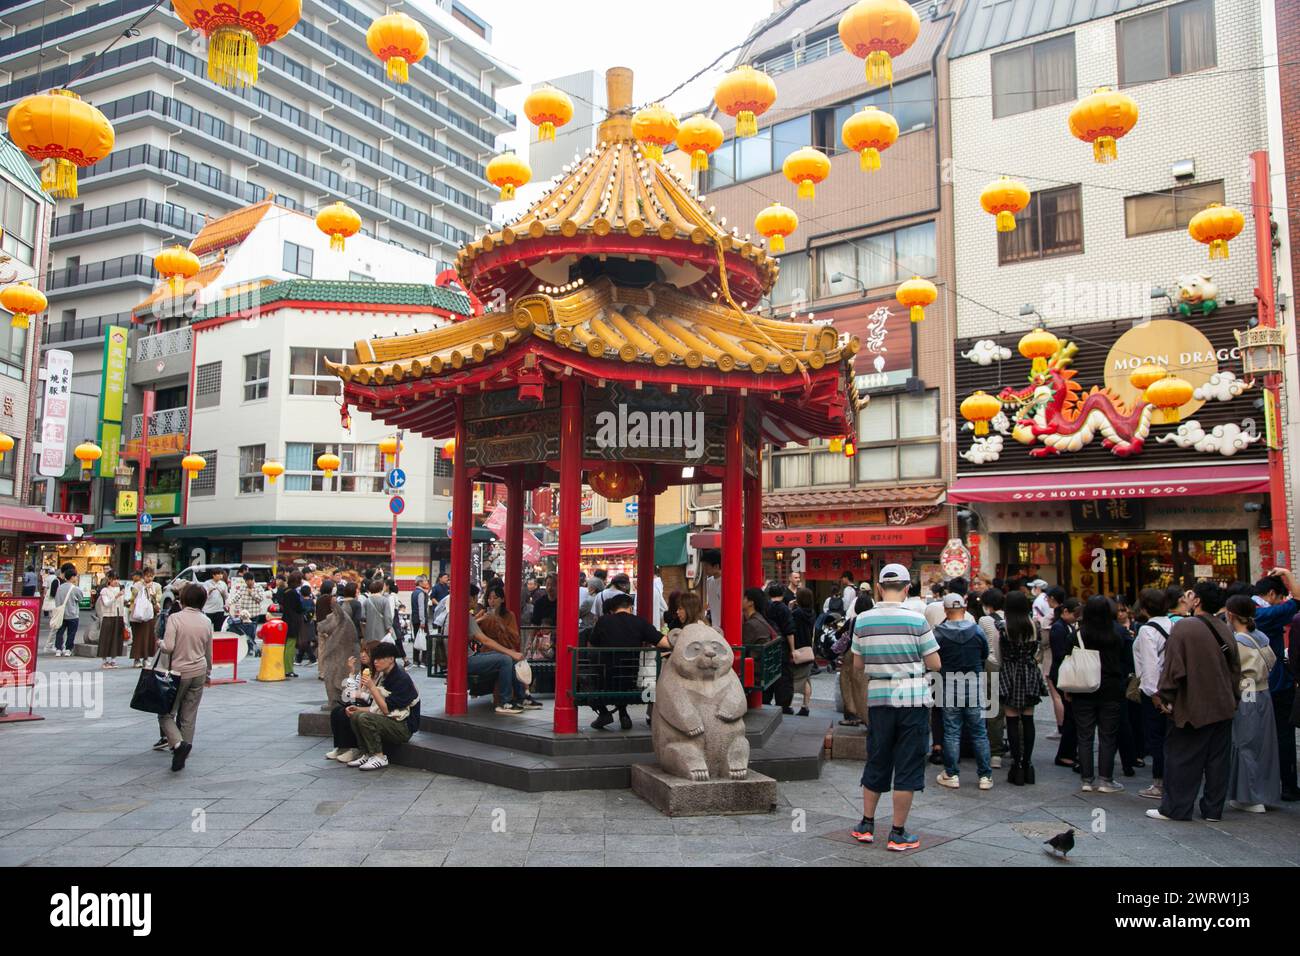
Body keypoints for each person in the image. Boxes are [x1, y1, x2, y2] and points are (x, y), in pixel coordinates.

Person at [849, 564, 940, 852]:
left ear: (878, 587)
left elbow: (858, 665)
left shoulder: (863, 620)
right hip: (912, 698)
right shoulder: (917, 620)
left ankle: (866, 824)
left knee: (877, 757)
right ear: (907, 588)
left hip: (879, 698)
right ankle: (897, 833)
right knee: (908, 763)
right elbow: (935, 663)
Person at [1148, 582, 1242, 823]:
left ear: (1197, 601)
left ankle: (1176, 808)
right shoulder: (1225, 628)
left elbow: (1173, 669)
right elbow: (1235, 669)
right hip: (1223, 703)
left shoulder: (1184, 627)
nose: (1186, 596)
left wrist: (1165, 697)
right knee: (1217, 761)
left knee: (1182, 757)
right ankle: (1213, 810)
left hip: (1193, 704)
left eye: (1190, 594)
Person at [1224, 594, 1281, 812]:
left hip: (1246, 694)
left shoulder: (1237, 641)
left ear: (1230, 614)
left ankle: (1250, 797)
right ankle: (1262, 794)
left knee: (1244, 744)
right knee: (1264, 745)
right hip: (1264, 693)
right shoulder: (1262, 637)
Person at [1068, 595, 1130, 794]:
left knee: (1084, 735)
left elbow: (1067, 659)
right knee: (1108, 736)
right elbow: (1127, 661)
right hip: (1111, 688)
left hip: (1083, 688)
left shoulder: (1078, 634)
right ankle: (1106, 779)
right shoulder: (1119, 632)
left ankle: (1086, 779)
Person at [934, 593, 992, 791]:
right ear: (964, 609)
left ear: (945, 610)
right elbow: (985, 653)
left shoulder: (939, 633)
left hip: (949, 683)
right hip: (974, 682)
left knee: (951, 732)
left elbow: (934, 658)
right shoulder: (976, 631)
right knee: (979, 732)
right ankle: (985, 776)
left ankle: (952, 774)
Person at [1251, 569, 1300, 801]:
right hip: (1276, 684)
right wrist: (1287, 573)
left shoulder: (1248, 610)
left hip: (1254, 685)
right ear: (1272, 594)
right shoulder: (1265, 613)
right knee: (1283, 736)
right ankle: (1288, 786)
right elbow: (1298, 601)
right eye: (1280, 597)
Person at [154, 583, 213, 772]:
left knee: (165, 713)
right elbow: (208, 651)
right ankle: (184, 749)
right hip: (199, 670)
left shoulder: (175, 618)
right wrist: (208, 673)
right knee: (189, 714)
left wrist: (160, 642)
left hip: (179, 672)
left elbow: (169, 646)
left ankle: (179, 745)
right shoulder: (206, 621)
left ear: (184, 598)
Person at [586, 591, 663, 730]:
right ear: (630, 607)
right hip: (631, 680)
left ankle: (604, 713)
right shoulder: (640, 622)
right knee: (622, 674)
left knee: (586, 680)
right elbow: (662, 641)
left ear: (612, 609)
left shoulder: (603, 621)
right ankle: (623, 714)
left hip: (605, 680)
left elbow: (591, 644)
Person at [344, 642, 421, 771]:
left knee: (364, 718)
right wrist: (358, 709)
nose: (375, 662)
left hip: (403, 727)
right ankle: (367, 753)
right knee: (355, 715)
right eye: (375, 658)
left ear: (391, 659)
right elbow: (376, 707)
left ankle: (379, 756)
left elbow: (385, 709)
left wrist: (372, 687)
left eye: (380, 658)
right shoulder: (385, 675)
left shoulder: (401, 679)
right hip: (391, 719)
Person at [999, 590, 1049, 785]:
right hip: (1029, 672)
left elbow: (999, 653)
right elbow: (1039, 649)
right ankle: (1027, 764)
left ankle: (1017, 765)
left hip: (1010, 672)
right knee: (1028, 719)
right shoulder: (1034, 625)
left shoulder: (1004, 627)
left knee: (1011, 720)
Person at [1133, 588, 1173, 800]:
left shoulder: (1147, 630)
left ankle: (1160, 782)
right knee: (1170, 736)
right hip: (1173, 687)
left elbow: (1149, 666)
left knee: (1156, 737)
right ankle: (1172, 779)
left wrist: (1153, 694)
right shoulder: (1173, 624)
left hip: (1156, 691)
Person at [465, 585, 529, 715]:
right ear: (471, 599)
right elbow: (485, 640)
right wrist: (511, 652)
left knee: (508, 658)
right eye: (489, 598)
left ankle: (521, 697)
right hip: (469, 658)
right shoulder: (468, 616)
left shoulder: (508, 615)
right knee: (505, 659)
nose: (491, 601)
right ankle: (505, 701)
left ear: (502, 600)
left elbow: (514, 638)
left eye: (495, 598)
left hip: (474, 656)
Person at [326, 641, 379, 762]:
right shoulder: (363, 672)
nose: (363, 655)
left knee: (349, 714)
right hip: (360, 702)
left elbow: (375, 696)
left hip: (372, 704)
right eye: (362, 651)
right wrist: (351, 672)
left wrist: (362, 695)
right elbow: (350, 693)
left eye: (367, 652)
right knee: (337, 711)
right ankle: (342, 747)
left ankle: (355, 749)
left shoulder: (378, 673)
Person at [1048, 597, 1081, 769]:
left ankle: (1067, 752)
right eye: (1075, 614)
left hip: (1065, 673)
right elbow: (1061, 654)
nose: (1077, 617)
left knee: (1072, 715)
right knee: (1071, 715)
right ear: (1065, 612)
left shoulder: (1066, 626)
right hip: (1062, 674)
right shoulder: (1058, 628)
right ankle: (1065, 754)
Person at [317, 585, 360, 708]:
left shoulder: (339, 617)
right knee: (334, 674)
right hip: (342, 649)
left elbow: (326, 624)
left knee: (335, 674)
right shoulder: (340, 618)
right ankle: (336, 700)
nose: (323, 623)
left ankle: (337, 701)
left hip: (344, 651)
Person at [976, 588, 1005, 770]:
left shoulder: (984, 620)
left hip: (991, 664)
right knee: (1013, 710)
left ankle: (995, 753)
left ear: (987, 605)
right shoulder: (1012, 618)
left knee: (993, 709)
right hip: (1010, 667)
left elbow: (980, 642)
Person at [765, 582, 795, 714]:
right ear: (782, 595)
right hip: (781, 645)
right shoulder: (784, 609)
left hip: (767, 644)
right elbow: (789, 631)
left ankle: (765, 699)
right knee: (783, 676)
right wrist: (793, 649)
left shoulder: (765, 607)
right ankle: (783, 704)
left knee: (768, 672)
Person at [127, 567, 162, 668]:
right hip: (138, 616)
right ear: (143, 576)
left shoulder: (157, 586)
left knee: (150, 637)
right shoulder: (137, 585)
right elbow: (134, 597)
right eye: (147, 576)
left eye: (151, 576)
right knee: (138, 637)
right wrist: (144, 590)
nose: (149, 578)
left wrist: (152, 594)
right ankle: (137, 659)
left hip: (151, 615)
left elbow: (159, 597)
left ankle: (147, 658)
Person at [790, 587, 816, 717]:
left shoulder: (796, 613)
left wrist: (790, 608)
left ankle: (789, 704)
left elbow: (790, 628)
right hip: (808, 650)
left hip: (798, 649)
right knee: (806, 679)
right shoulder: (812, 612)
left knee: (793, 678)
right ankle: (805, 706)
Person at [226, 572, 264, 657]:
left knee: (252, 632)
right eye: (246, 581)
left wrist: (252, 593)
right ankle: (245, 648)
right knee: (244, 631)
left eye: (248, 581)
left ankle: (250, 648)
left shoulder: (258, 587)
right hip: (244, 615)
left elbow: (260, 599)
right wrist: (229, 603)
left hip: (254, 614)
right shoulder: (243, 588)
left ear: (252, 580)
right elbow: (236, 597)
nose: (247, 583)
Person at [50, 564, 83, 657]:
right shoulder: (75, 588)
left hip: (61, 614)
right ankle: (68, 649)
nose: (76, 578)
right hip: (72, 614)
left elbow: (56, 599)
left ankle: (58, 649)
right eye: (75, 576)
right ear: (72, 577)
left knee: (60, 632)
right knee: (71, 633)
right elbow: (80, 599)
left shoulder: (60, 587)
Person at [95, 571, 126, 669]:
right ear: (109, 579)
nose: (116, 581)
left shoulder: (120, 589)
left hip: (118, 616)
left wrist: (124, 618)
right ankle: (104, 661)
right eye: (114, 579)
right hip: (108, 616)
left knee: (116, 638)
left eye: (117, 579)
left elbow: (122, 605)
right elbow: (106, 603)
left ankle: (113, 660)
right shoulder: (104, 590)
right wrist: (116, 596)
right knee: (106, 638)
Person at [362, 578, 392, 644]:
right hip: (382, 630)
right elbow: (388, 616)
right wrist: (389, 628)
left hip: (369, 631)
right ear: (380, 589)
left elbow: (363, 616)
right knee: (381, 649)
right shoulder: (384, 600)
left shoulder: (367, 601)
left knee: (371, 649)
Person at [409, 576, 431, 668]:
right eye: (425, 581)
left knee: (417, 639)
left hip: (414, 619)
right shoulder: (421, 594)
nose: (426, 582)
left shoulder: (414, 593)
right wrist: (423, 621)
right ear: (420, 583)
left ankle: (415, 660)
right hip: (421, 620)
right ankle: (423, 661)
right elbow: (421, 608)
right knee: (426, 639)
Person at [201, 569, 229, 633]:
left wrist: (223, 594)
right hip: (208, 609)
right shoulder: (207, 583)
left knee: (218, 629)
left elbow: (226, 597)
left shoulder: (223, 584)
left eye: (221, 574)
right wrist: (209, 591)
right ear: (213, 575)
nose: (220, 575)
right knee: (207, 629)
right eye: (218, 574)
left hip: (219, 609)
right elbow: (203, 596)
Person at [700, 549, 722, 627]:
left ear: (716, 566)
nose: (704, 568)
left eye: (706, 565)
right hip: (714, 626)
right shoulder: (709, 582)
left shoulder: (726, 583)